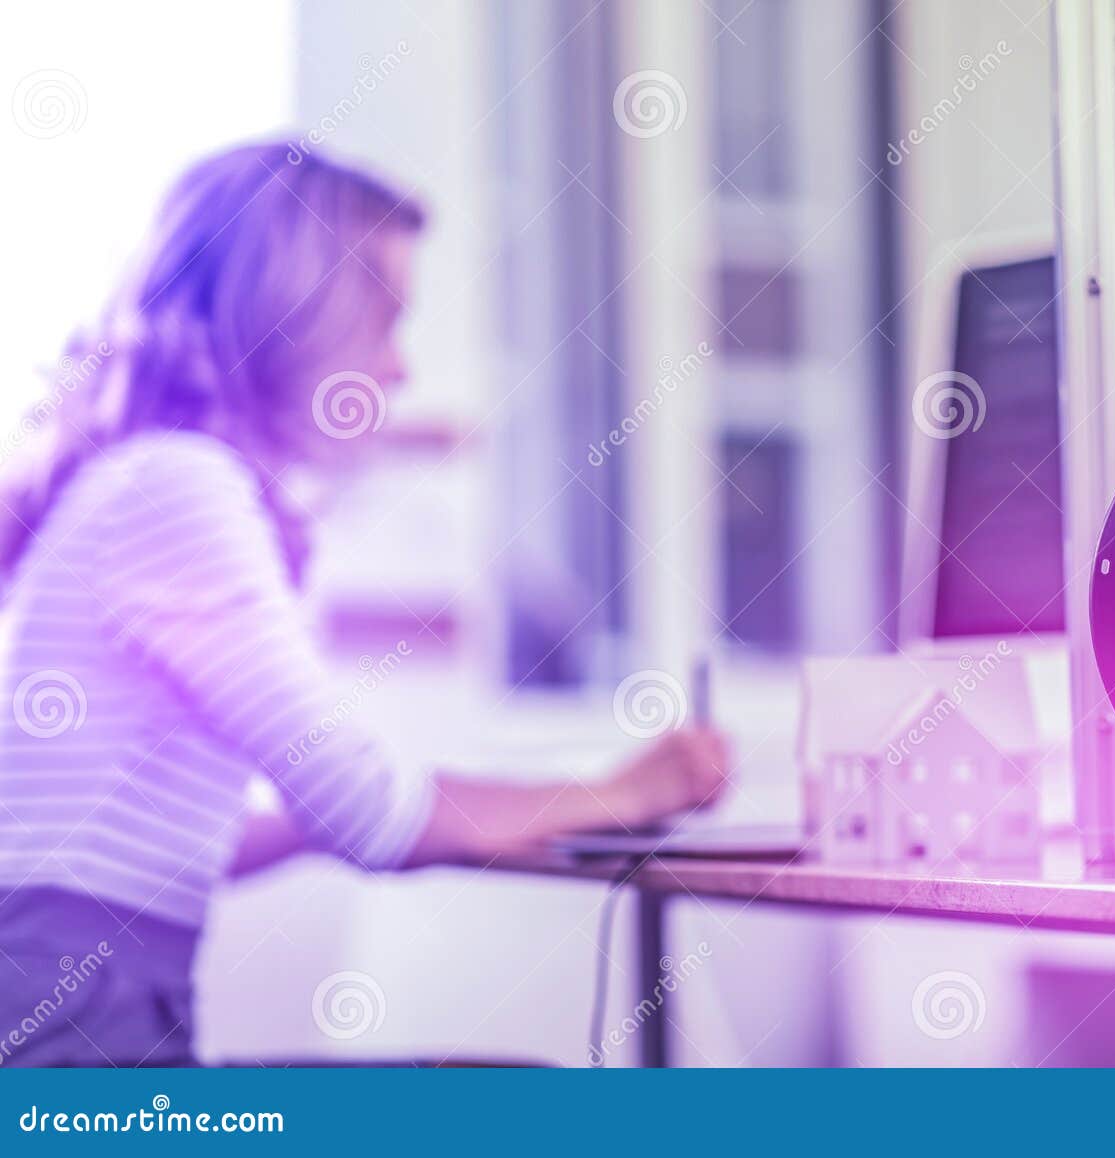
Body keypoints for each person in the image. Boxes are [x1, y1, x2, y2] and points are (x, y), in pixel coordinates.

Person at [0, 142, 728, 1067]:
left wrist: (324, 822)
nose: (398, 369)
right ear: (295, 319)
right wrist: (632, 788)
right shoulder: (177, 488)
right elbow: (372, 816)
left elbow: (158, 843)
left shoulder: (133, 480)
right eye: (384, 324)